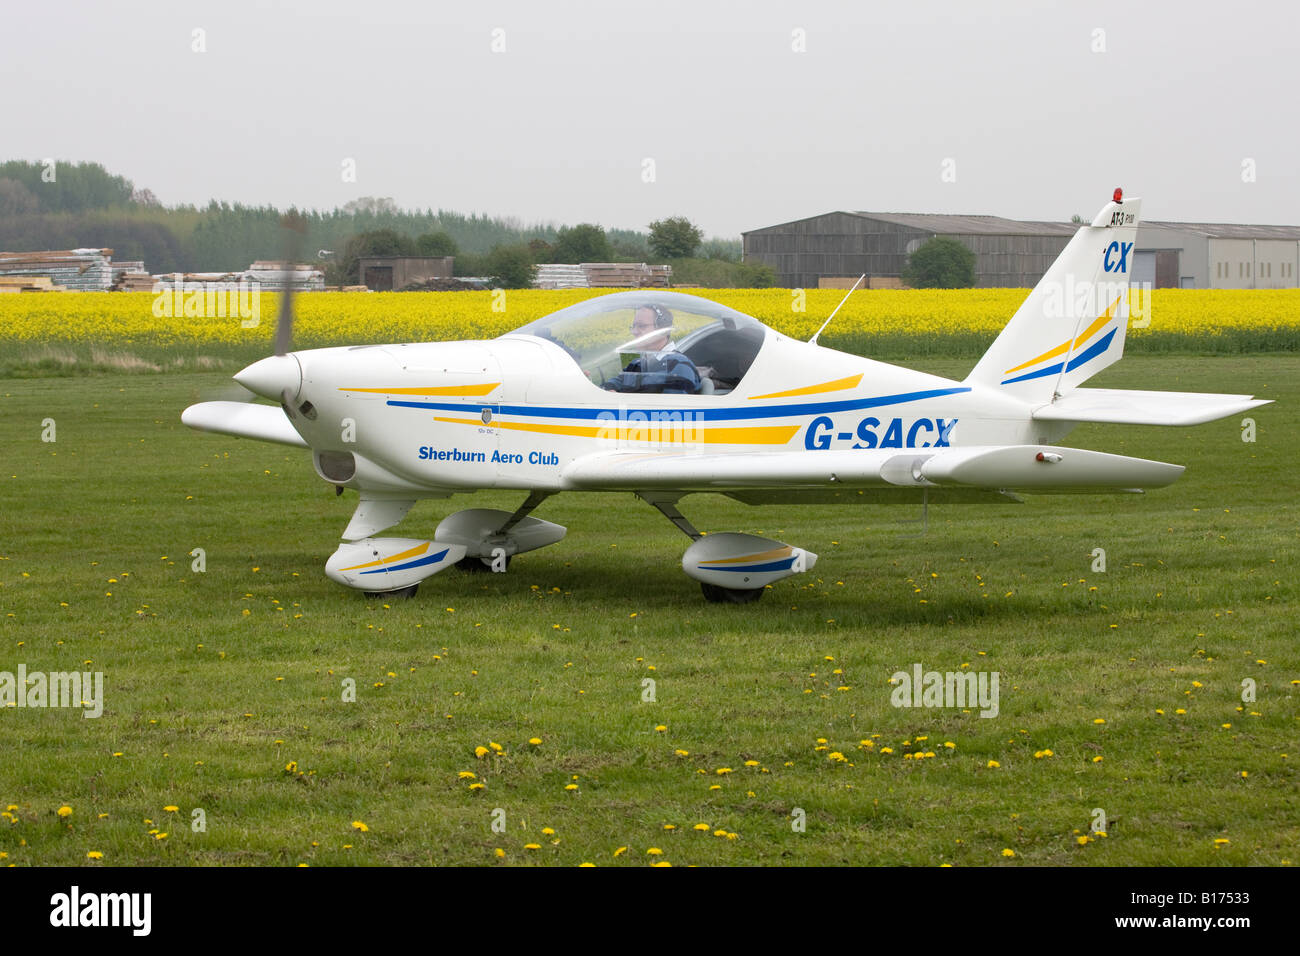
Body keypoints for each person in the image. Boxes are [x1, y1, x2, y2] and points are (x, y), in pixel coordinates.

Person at [601, 304, 702, 394]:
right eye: (633, 326)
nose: (634, 332)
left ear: (663, 330)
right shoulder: (637, 363)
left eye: (641, 326)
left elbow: (672, 412)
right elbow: (611, 385)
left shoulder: (679, 365)